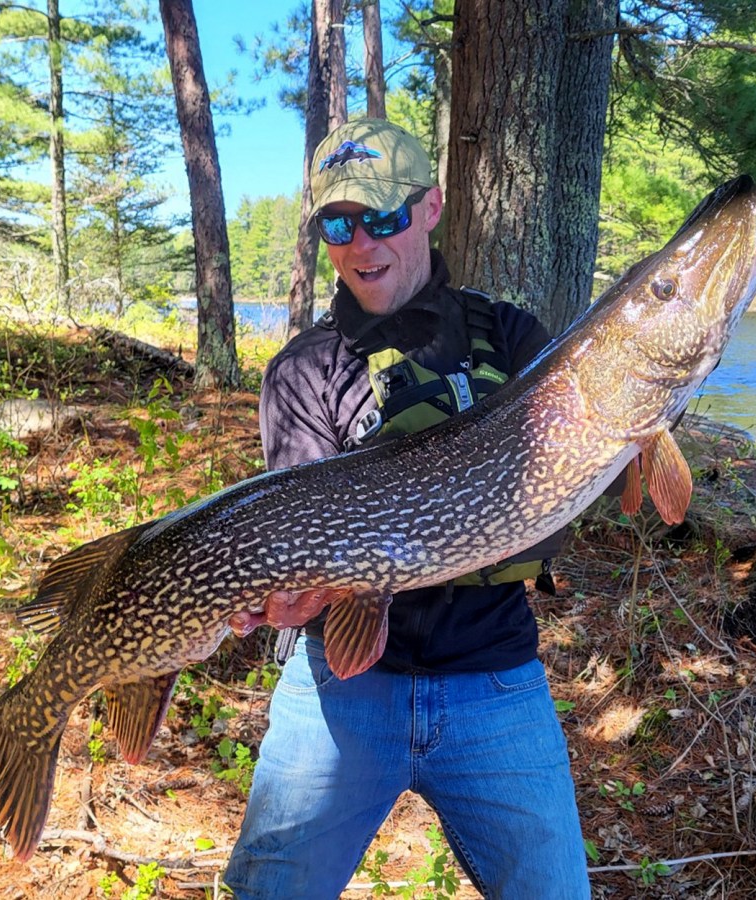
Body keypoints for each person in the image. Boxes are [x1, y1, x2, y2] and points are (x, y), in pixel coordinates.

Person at [223, 118, 590, 899]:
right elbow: (301, 551)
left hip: (494, 679)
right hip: (341, 688)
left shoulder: (514, 337)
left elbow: (566, 498)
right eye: (338, 223)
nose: (362, 244)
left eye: (383, 217)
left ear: (430, 208)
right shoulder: (303, 370)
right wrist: (291, 596)